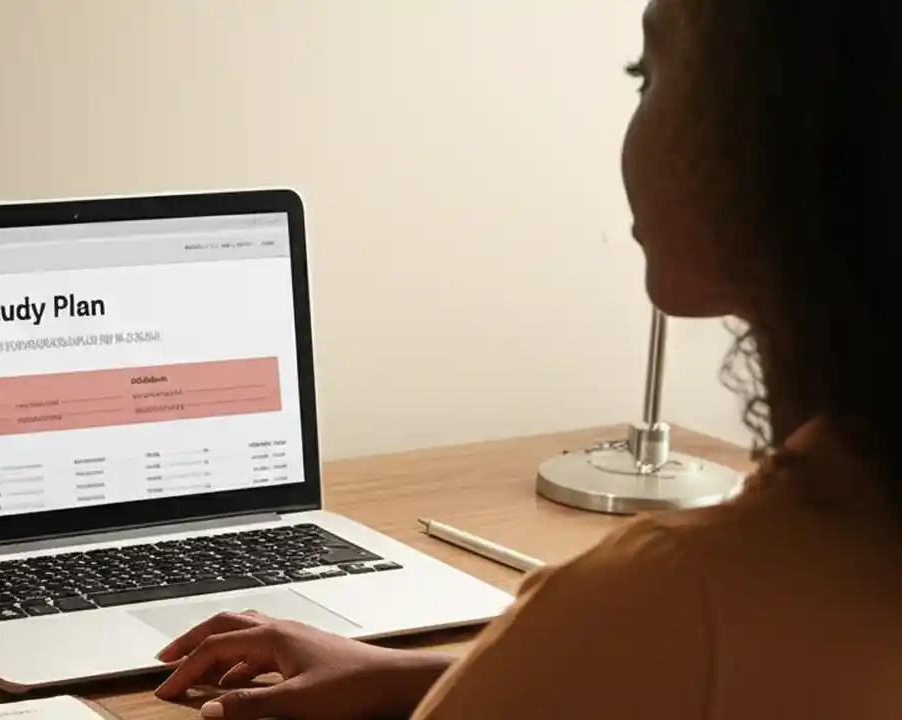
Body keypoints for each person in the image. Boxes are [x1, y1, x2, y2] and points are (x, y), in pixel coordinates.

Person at [149, 0, 902, 717]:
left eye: (648, 75)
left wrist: (545, 655)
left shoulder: (669, 599)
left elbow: (667, 650)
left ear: (790, 140)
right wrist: (423, 674)